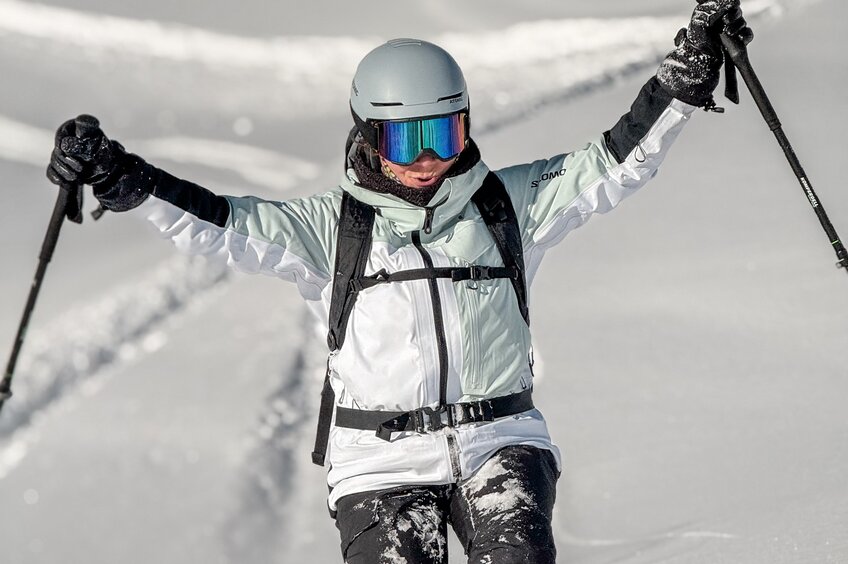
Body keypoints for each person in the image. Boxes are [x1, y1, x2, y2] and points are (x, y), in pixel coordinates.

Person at [46, 2, 752, 562]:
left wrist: (683, 80)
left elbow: (614, 162)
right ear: (368, 135)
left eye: (443, 135)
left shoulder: (508, 204)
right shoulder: (332, 226)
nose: (426, 159)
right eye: (405, 139)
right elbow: (224, 222)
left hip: (500, 439)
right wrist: (122, 176)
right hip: (377, 462)